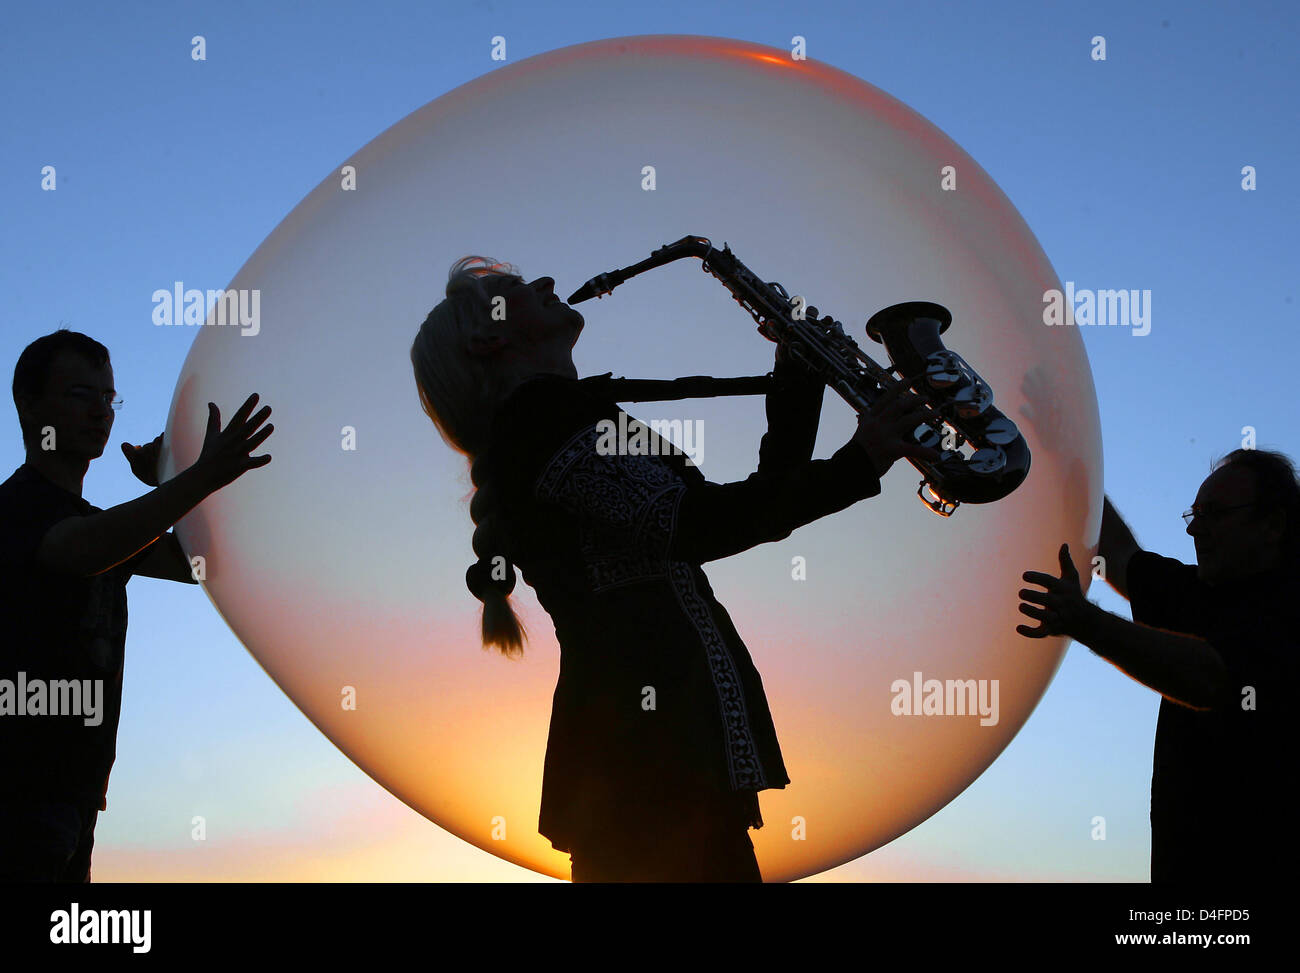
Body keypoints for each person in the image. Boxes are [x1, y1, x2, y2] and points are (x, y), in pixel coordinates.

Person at [410, 256, 941, 882]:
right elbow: (698, 523)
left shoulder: (553, 417)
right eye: (519, 289)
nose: (549, 283)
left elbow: (744, 505)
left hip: (662, 775)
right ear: (489, 336)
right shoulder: (541, 421)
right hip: (651, 778)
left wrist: (799, 378)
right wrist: (861, 462)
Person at [0, 329, 273, 881]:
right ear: (29, 404)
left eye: (109, 398)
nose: (101, 412)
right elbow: (83, 548)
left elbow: (198, 565)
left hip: (76, 798)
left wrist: (169, 481)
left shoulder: (103, 523)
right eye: (81, 395)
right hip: (17, 796)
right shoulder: (17, 509)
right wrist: (195, 479)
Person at [1017, 448, 1300, 883]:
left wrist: (1084, 621)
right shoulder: (1201, 590)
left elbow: (1210, 677)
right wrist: (1059, 449)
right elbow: (1117, 552)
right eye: (1194, 513)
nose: (1194, 529)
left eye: (1214, 514)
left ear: (1273, 525)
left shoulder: (1287, 610)